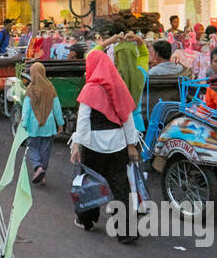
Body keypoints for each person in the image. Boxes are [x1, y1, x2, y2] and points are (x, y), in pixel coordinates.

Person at [70, 49, 141, 241]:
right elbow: (127, 118)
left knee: (90, 184)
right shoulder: (118, 86)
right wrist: (131, 144)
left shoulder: (90, 89)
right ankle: (126, 231)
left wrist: (77, 145)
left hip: (93, 144)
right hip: (118, 143)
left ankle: (87, 220)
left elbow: (83, 120)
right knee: (120, 187)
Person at [22, 62, 64, 186]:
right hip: (49, 126)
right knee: (45, 151)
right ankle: (42, 173)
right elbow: (57, 108)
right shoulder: (51, 88)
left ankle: (38, 168)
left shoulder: (30, 90)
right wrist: (60, 123)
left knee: (33, 148)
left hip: (33, 127)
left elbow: (26, 110)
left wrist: (24, 124)